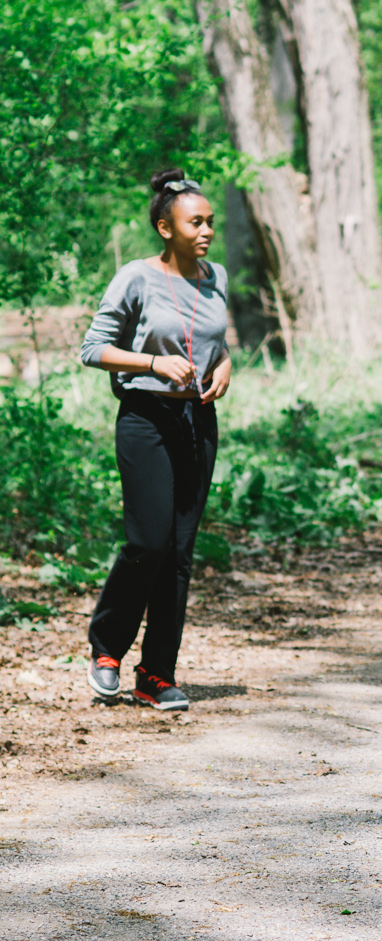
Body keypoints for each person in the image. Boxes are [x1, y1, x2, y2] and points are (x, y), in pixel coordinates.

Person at [78, 168, 232, 711]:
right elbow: (92, 349)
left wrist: (226, 365)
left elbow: (218, 341)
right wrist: (152, 362)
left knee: (181, 552)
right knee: (149, 542)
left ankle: (156, 674)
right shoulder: (135, 278)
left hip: (197, 422)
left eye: (211, 221)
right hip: (145, 416)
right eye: (196, 222)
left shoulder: (217, 277)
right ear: (166, 228)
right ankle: (106, 650)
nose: (207, 230)